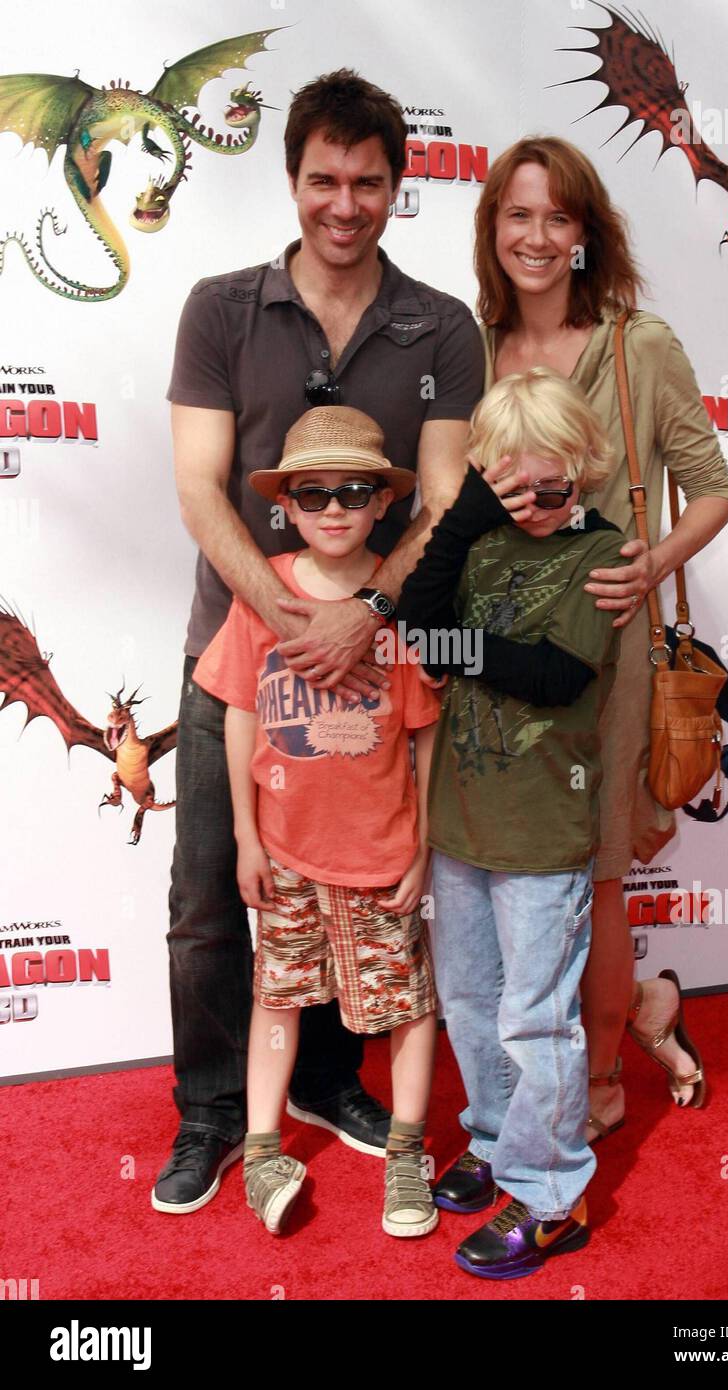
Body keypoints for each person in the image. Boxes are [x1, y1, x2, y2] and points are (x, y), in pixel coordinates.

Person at [154, 68, 483, 1214]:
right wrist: (291, 619)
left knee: (358, 888)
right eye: (322, 179)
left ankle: (336, 1086)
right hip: (238, 651)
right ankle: (212, 1119)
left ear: (399, 184)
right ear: (292, 178)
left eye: (368, 182)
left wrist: (370, 615)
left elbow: (442, 500)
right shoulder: (220, 308)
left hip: (378, 654)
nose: (344, 203)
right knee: (211, 894)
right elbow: (202, 491)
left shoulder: (440, 323)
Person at [472, 137, 728, 1143]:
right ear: (492, 229)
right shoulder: (473, 343)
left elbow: (712, 492)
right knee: (510, 872)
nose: (536, 238)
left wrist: (651, 561)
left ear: (584, 234)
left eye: (557, 218)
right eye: (517, 217)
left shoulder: (638, 346)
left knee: (601, 872)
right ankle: (609, 1026)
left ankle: (593, 1072)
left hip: (610, 647)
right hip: (499, 653)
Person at [399, 366, 626, 1279]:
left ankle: (549, 1196)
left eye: (551, 484)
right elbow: (417, 625)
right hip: (460, 821)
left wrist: (455, 648)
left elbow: (553, 676)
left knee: (535, 1020)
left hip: (540, 829)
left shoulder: (603, 554)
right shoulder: (479, 541)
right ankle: (494, 1139)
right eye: (510, 484)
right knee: (469, 1003)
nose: (531, 503)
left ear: (587, 467)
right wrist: (462, 517)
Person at [192, 406, 440, 1237]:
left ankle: (407, 1152)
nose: (333, 507)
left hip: (381, 850)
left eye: (353, 491)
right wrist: (245, 835)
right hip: (287, 852)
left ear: (380, 504)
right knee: (279, 995)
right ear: (287, 506)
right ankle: (263, 1152)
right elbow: (236, 714)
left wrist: (426, 844)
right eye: (313, 493)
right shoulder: (263, 592)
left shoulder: (396, 608)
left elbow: (425, 731)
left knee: (406, 1003)